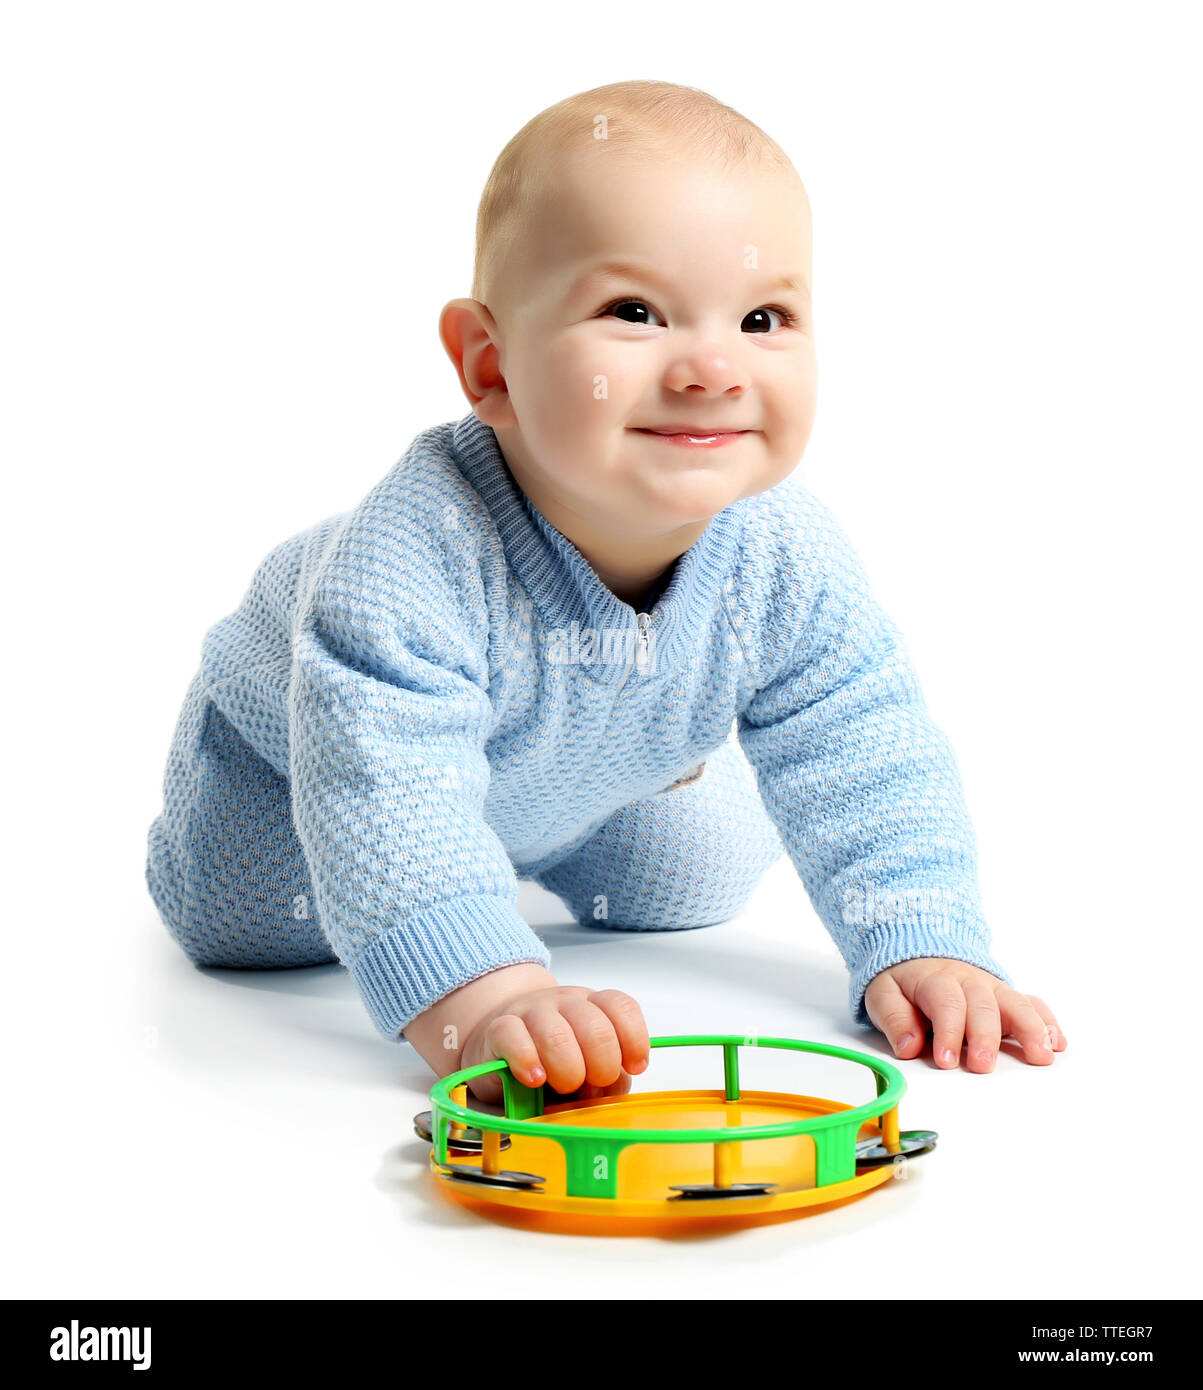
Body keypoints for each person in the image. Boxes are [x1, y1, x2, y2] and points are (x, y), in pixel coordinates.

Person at [145, 79, 1066, 1105]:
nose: (713, 366)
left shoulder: (784, 550)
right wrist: (488, 994)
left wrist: (927, 938)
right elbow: (385, 785)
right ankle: (468, 894)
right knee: (252, 925)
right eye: (635, 312)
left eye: (764, 317)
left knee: (703, 874)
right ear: (490, 365)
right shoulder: (411, 556)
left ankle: (564, 803)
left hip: (561, 781)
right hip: (296, 778)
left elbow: (865, 740)